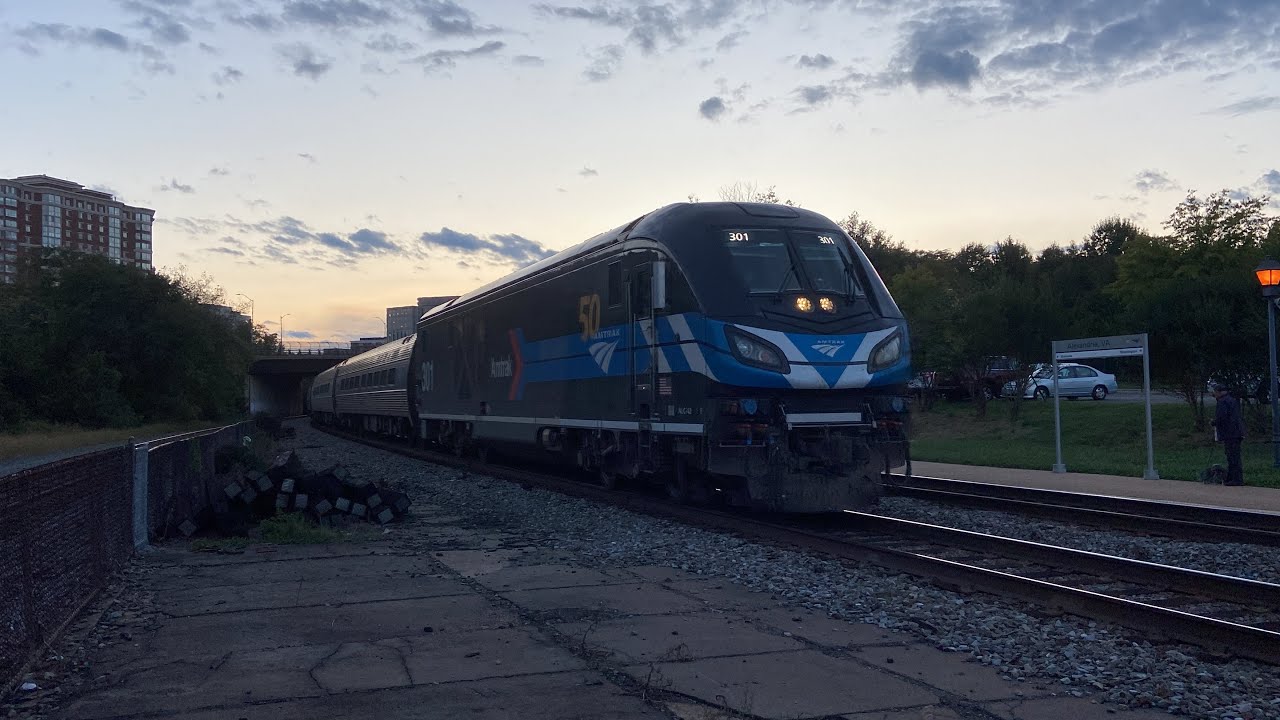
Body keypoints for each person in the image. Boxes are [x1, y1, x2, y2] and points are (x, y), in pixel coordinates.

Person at [1211, 383, 1246, 486]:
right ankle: (1232, 478)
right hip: (1236, 432)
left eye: (1215, 392)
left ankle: (1236, 479)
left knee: (1232, 457)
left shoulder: (1222, 402)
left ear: (1219, 392)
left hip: (1230, 433)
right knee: (1234, 456)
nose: (1214, 394)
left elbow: (1222, 417)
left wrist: (1213, 422)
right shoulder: (1231, 400)